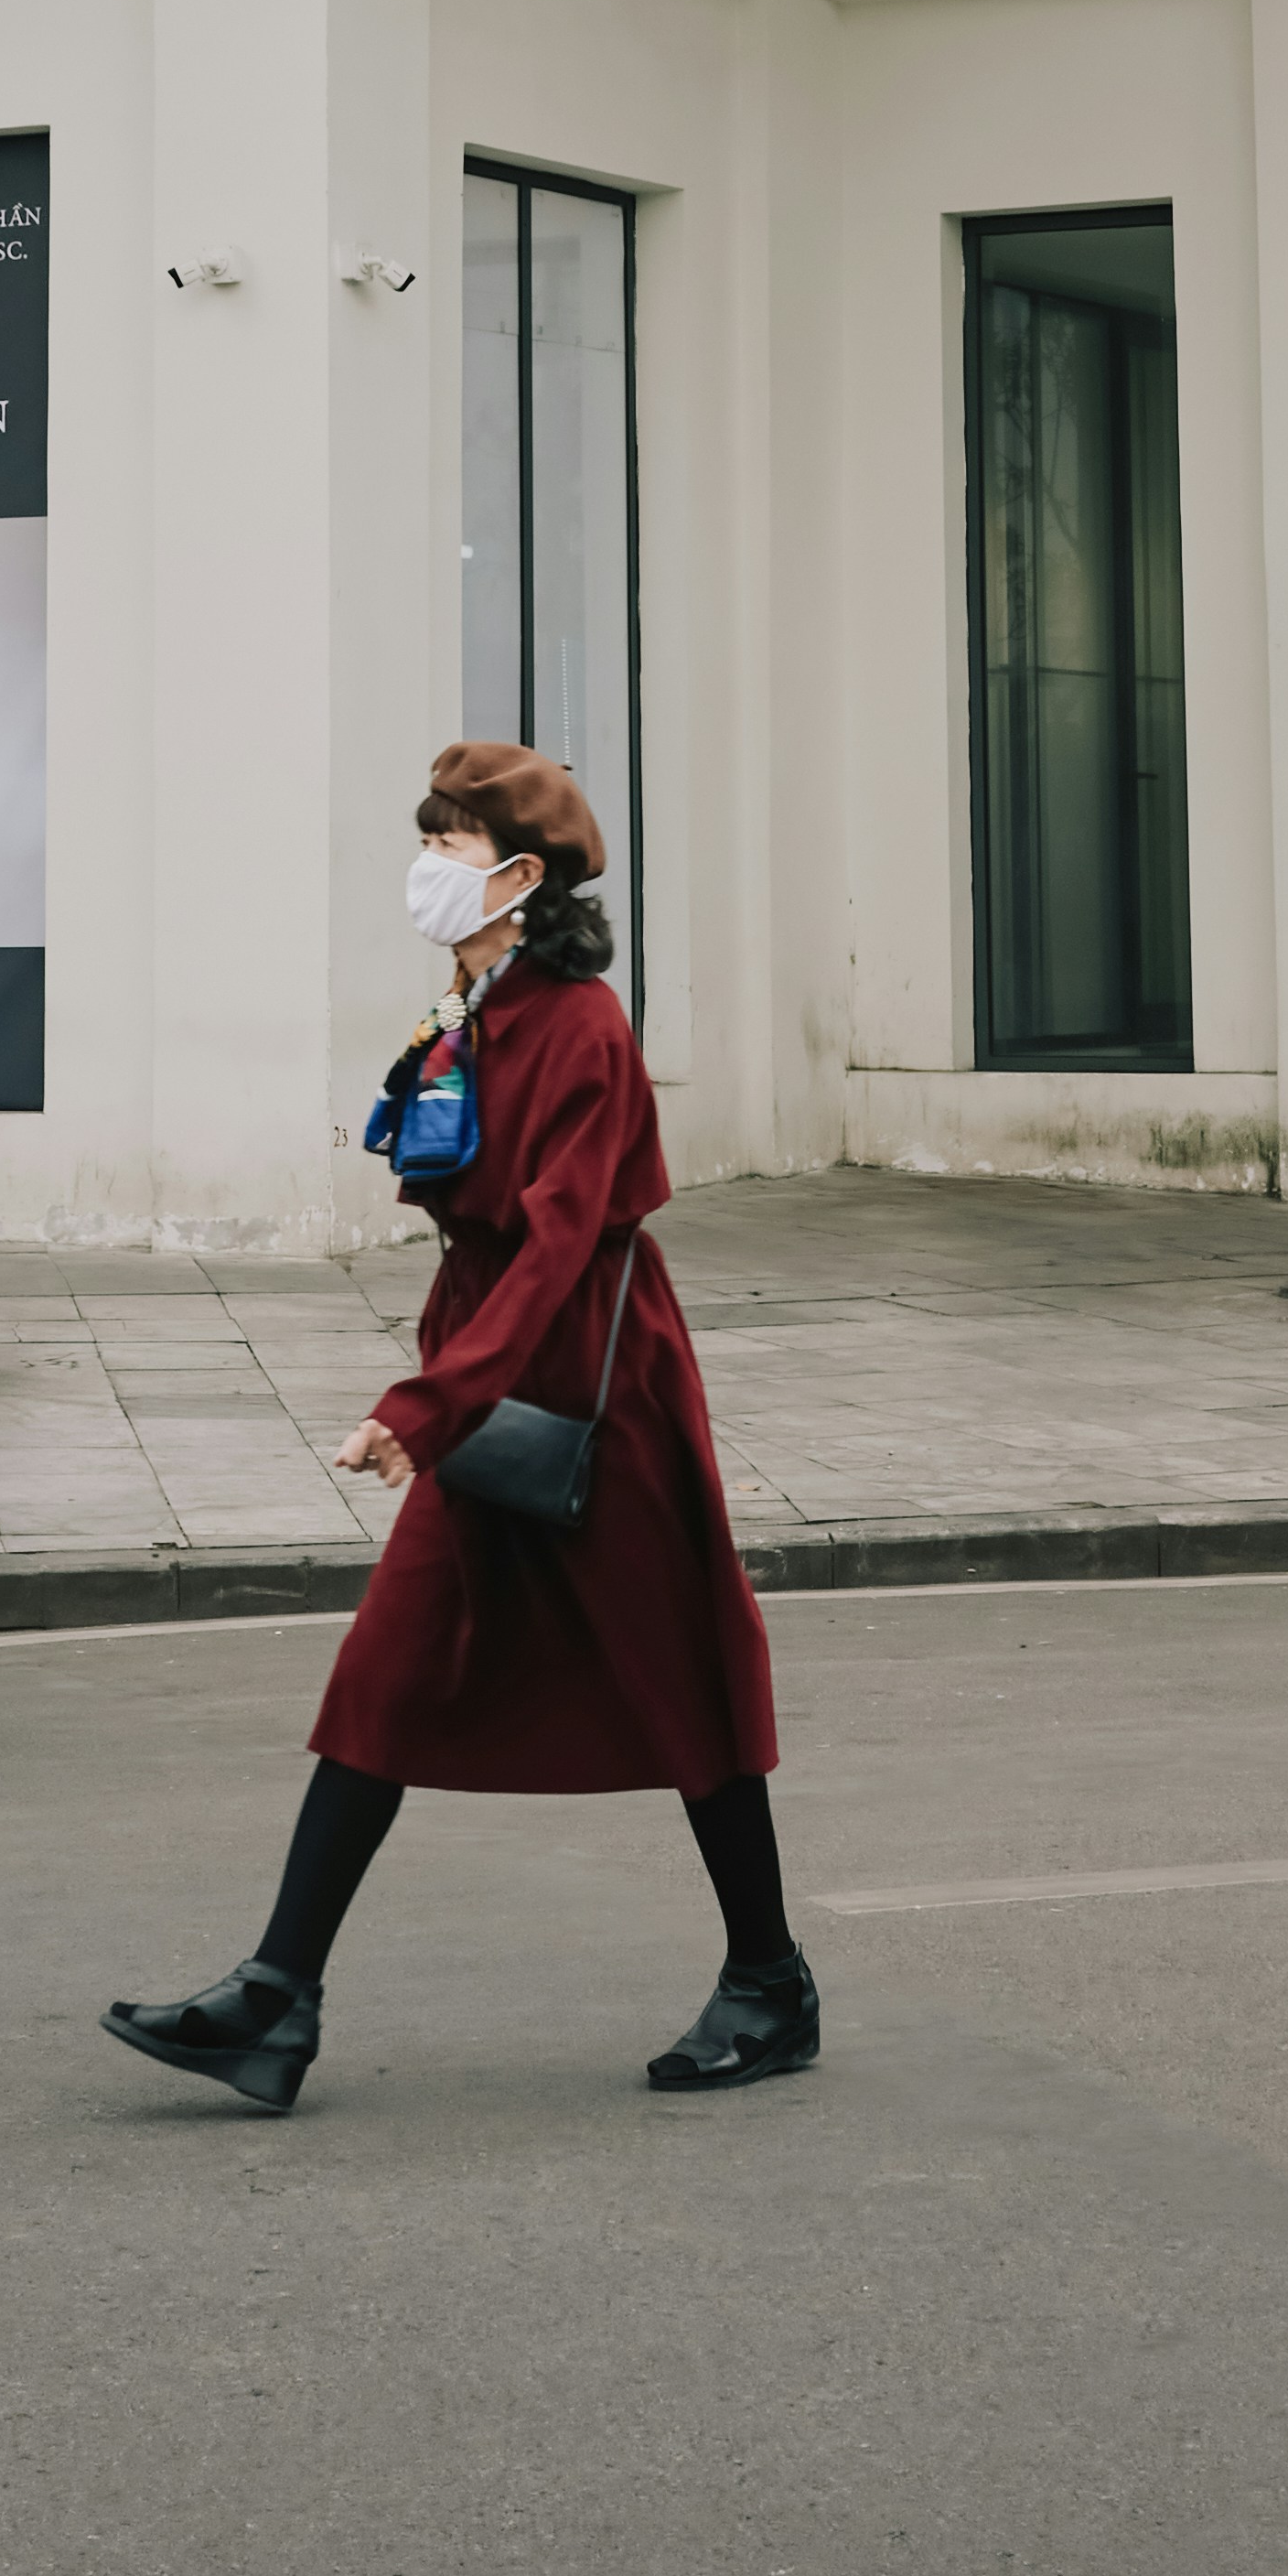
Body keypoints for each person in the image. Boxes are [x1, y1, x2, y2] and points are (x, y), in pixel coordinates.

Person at [103, 738, 811, 2113]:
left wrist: (422, 1407)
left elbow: (556, 1252)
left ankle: (771, 1981)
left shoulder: (584, 1027)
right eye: (425, 839)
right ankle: (275, 1996)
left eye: (447, 844)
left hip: (599, 1391)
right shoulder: (479, 1007)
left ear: (521, 875)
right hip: (492, 1379)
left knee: (685, 1680)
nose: (425, 866)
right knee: (390, 1664)